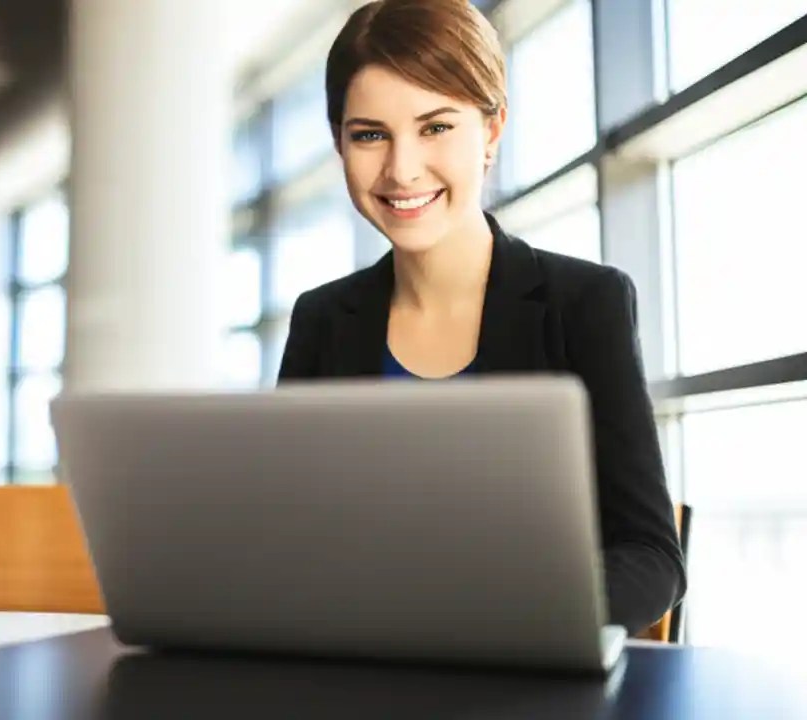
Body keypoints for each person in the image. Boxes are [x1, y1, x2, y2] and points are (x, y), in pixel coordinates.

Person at [278, 0, 685, 636]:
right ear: (340, 144)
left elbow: (652, 558)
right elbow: (288, 539)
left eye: (435, 127)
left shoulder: (586, 303)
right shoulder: (321, 319)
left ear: (492, 130)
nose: (401, 169)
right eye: (370, 134)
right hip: (361, 670)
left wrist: (501, 621)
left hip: (523, 672)